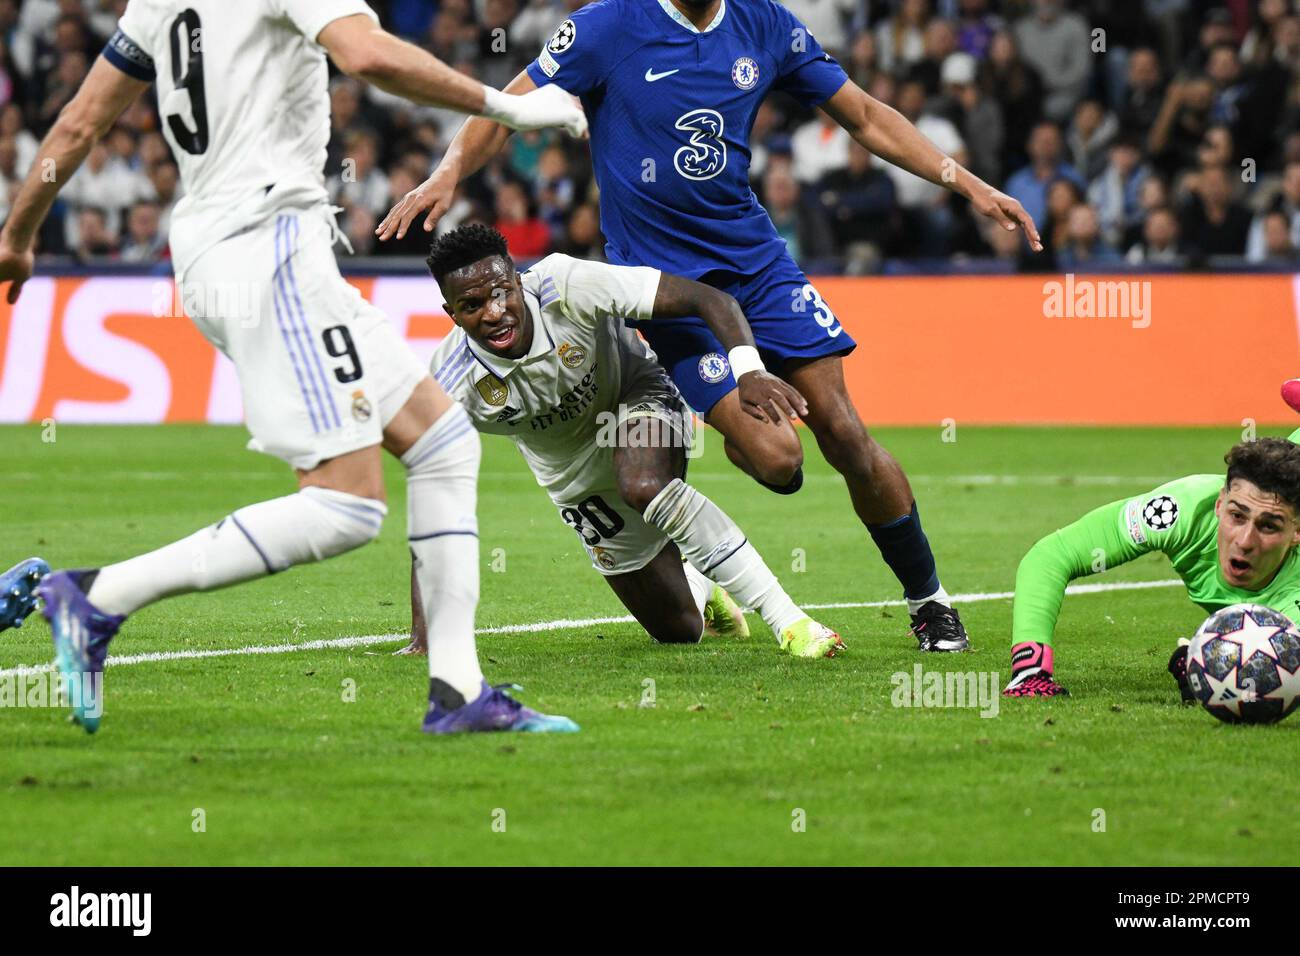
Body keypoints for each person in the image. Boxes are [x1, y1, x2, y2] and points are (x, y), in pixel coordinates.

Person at [378, 0, 1044, 654]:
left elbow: (865, 115)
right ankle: (741, 440)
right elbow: (508, 108)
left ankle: (929, 602)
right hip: (668, 294)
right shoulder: (606, 27)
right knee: (779, 461)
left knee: (844, 433)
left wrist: (968, 184)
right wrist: (448, 172)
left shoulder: (767, 24)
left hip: (758, 267)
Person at [0, 0, 588, 735]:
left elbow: (80, 124)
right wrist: (514, 107)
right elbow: (367, 55)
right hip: (267, 243)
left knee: (442, 442)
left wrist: (20, 234)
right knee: (345, 507)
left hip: (227, 245)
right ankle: (96, 595)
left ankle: (458, 691)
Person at [403, 224, 844, 658]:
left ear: (519, 282)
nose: (494, 312)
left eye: (501, 292)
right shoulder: (451, 385)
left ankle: (790, 622)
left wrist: (749, 372)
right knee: (679, 629)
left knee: (643, 482)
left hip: (636, 397)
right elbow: (434, 506)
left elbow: (709, 299)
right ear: (452, 314)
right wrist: (426, 635)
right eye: (472, 304)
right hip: (574, 482)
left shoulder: (567, 285)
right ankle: (703, 582)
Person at [1004, 417, 1300, 701]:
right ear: (1220, 504)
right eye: (1237, 516)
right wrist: (1030, 670)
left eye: (1268, 526)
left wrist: (1207, 664)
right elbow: (1051, 555)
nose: (1245, 541)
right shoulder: (1183, 511)